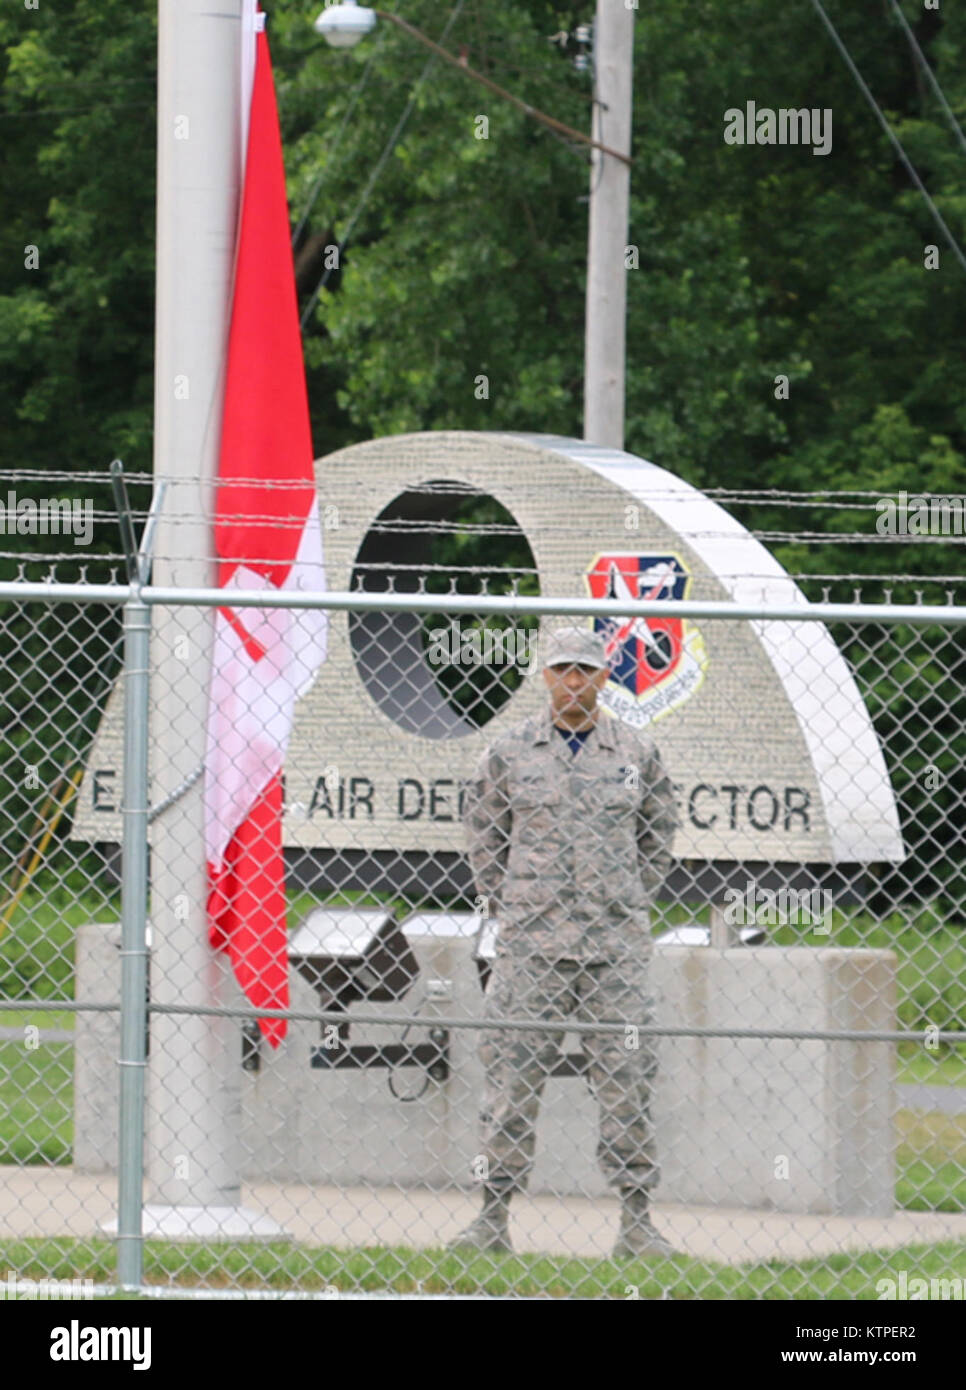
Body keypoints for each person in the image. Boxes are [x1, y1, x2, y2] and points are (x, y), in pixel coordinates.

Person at [449, 625, 679, 1259]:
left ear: (604, 677)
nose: (573, 681)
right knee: (511, 1083)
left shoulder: (636, 752)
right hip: (532, 949)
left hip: (614, 952)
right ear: (545, 675)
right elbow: (485, 837)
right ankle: (491, 1219)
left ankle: (637, 1223)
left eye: (585, 670)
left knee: (628, 1082)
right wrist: (517, 903)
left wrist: (623, 898)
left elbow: (658, 836)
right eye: (561, 669)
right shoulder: (509, 751)